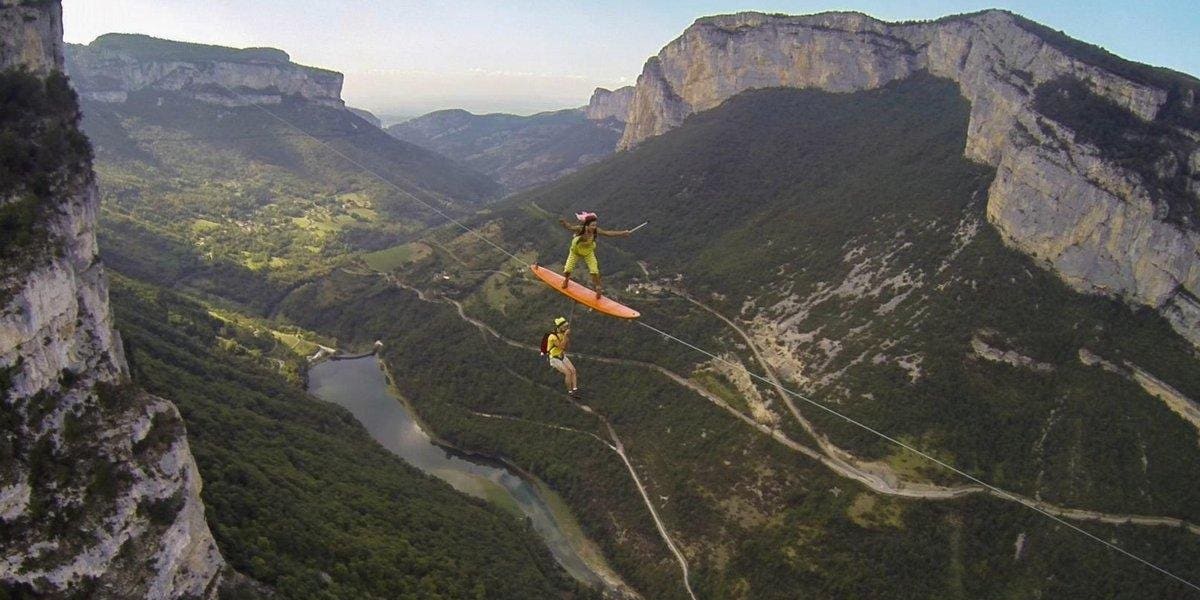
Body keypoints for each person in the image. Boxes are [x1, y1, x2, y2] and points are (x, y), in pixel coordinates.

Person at [558, 211, 634, 300]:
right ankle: (566, 280)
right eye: (592, 225)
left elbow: (608, 233)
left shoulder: (596, 231)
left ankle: (598, 288)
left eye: (595, 225)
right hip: (576, 251)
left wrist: (623, 233)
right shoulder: (580, 229)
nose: (594, 227)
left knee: (594, 271)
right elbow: (570, 227)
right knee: (567, 269)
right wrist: (564, 223)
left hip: (588, 251)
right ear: (587, 225)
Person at [546, 316, 578, 397]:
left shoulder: (562, 334)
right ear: (560, 327)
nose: (566, 328)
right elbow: (561, 347)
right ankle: (570, 392)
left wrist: (567, 338)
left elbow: (567, 347)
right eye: (564, 327)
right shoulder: (553, 337)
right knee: (568, 373)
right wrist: (565, 336)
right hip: (554, 358)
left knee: (573, 371)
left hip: (562, 355)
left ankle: (575, 389)